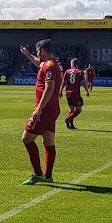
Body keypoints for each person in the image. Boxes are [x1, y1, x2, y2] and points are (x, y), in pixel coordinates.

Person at [19, 39, 62, 184]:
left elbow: (49, 89)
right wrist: (27, 54)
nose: (37, 54)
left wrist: (38, 109)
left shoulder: (49, 66)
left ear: (43, 50)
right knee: (48, 141)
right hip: (53, 109)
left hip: (45, 110)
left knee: (26, 139)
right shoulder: (52, 63)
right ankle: (48, 176)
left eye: (38, 51)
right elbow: (39, 63)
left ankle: (38, 173)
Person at [61, 58, 85, 129]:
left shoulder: (67, 71)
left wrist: (60, 91)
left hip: (68, 93)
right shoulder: (79, 71)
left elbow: (63, 82)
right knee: (78, 110)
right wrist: (87, 91)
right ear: (77, 64)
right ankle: (68, 119)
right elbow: (83, 82)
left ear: (72, 64)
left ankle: (71, 125)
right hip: (76, 94)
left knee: (71, 109)